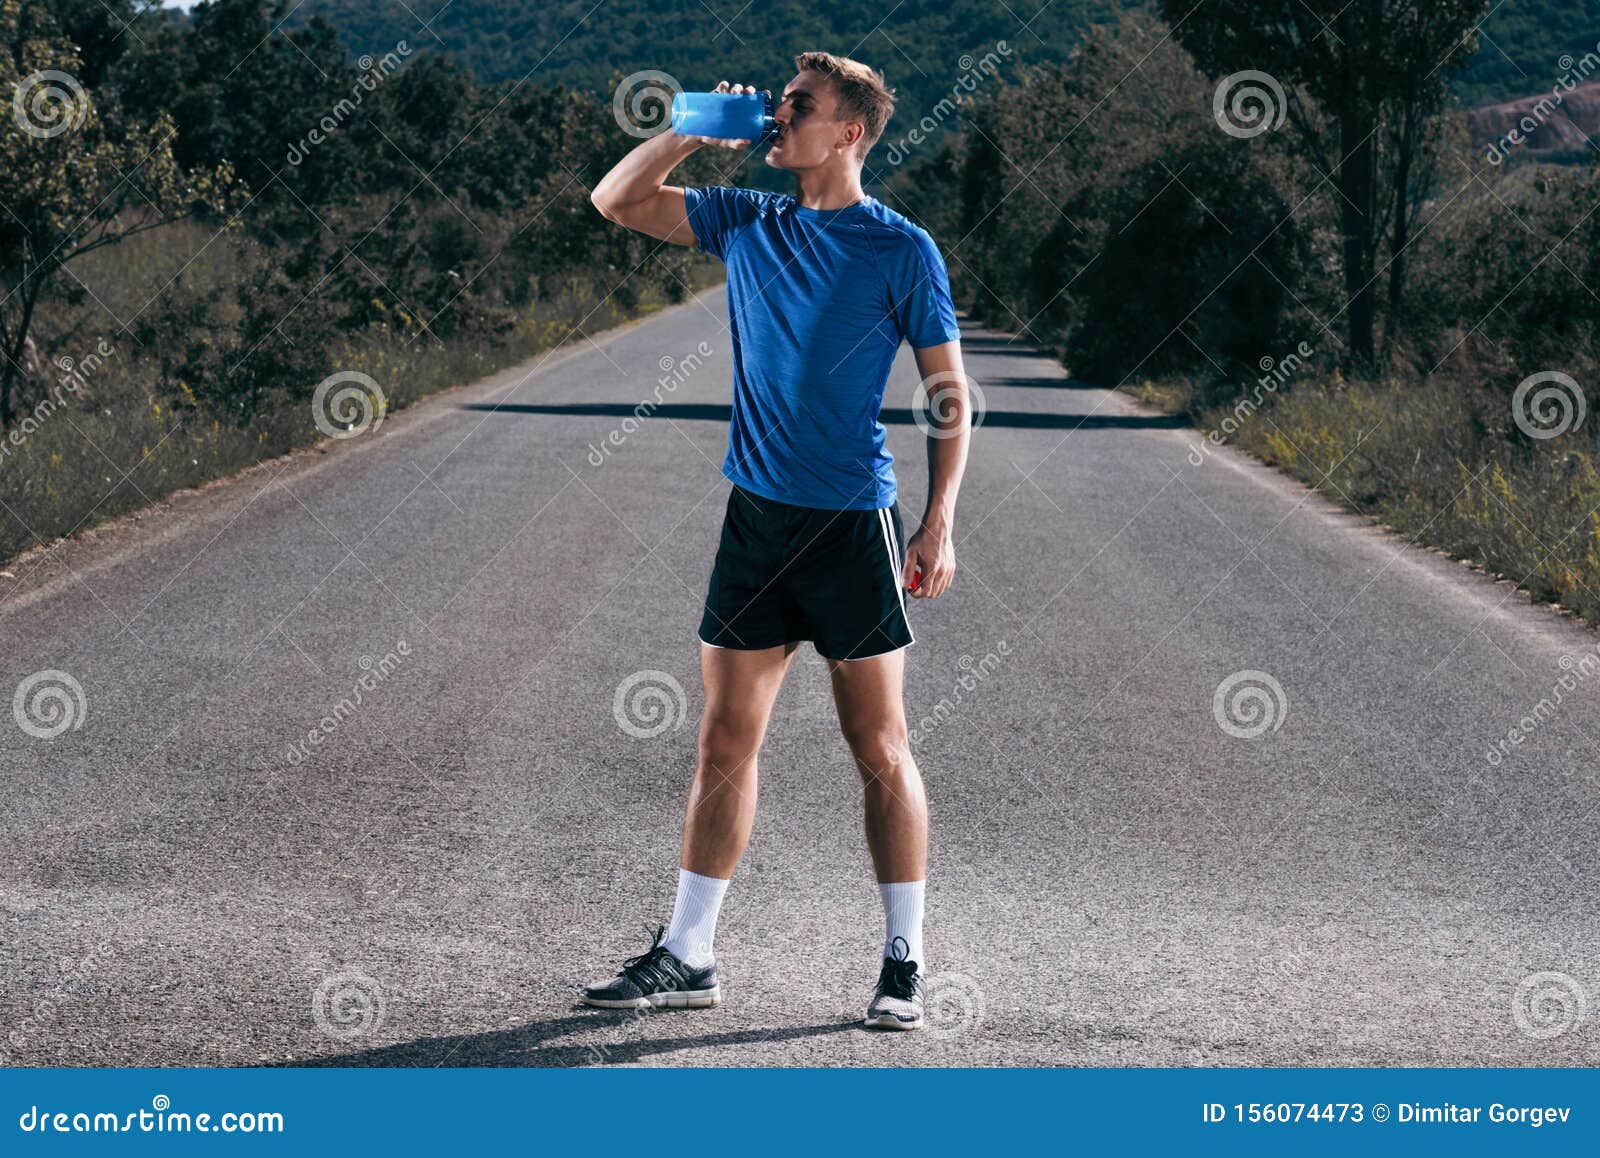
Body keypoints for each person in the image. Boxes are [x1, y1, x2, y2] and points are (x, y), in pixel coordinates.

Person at [583, 51, 970, 1030]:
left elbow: (947, 393)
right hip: (755, 518)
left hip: (851, 525)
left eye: (801, 106)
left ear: (848, 133)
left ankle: (903, 961)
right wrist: (689, 129)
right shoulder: (749, 219)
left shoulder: (900, 248)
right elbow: (616, 200)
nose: (781, 116)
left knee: (878, 745)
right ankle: (689, 952)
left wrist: (937, 519)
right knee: (722, 739)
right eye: (782, 102)